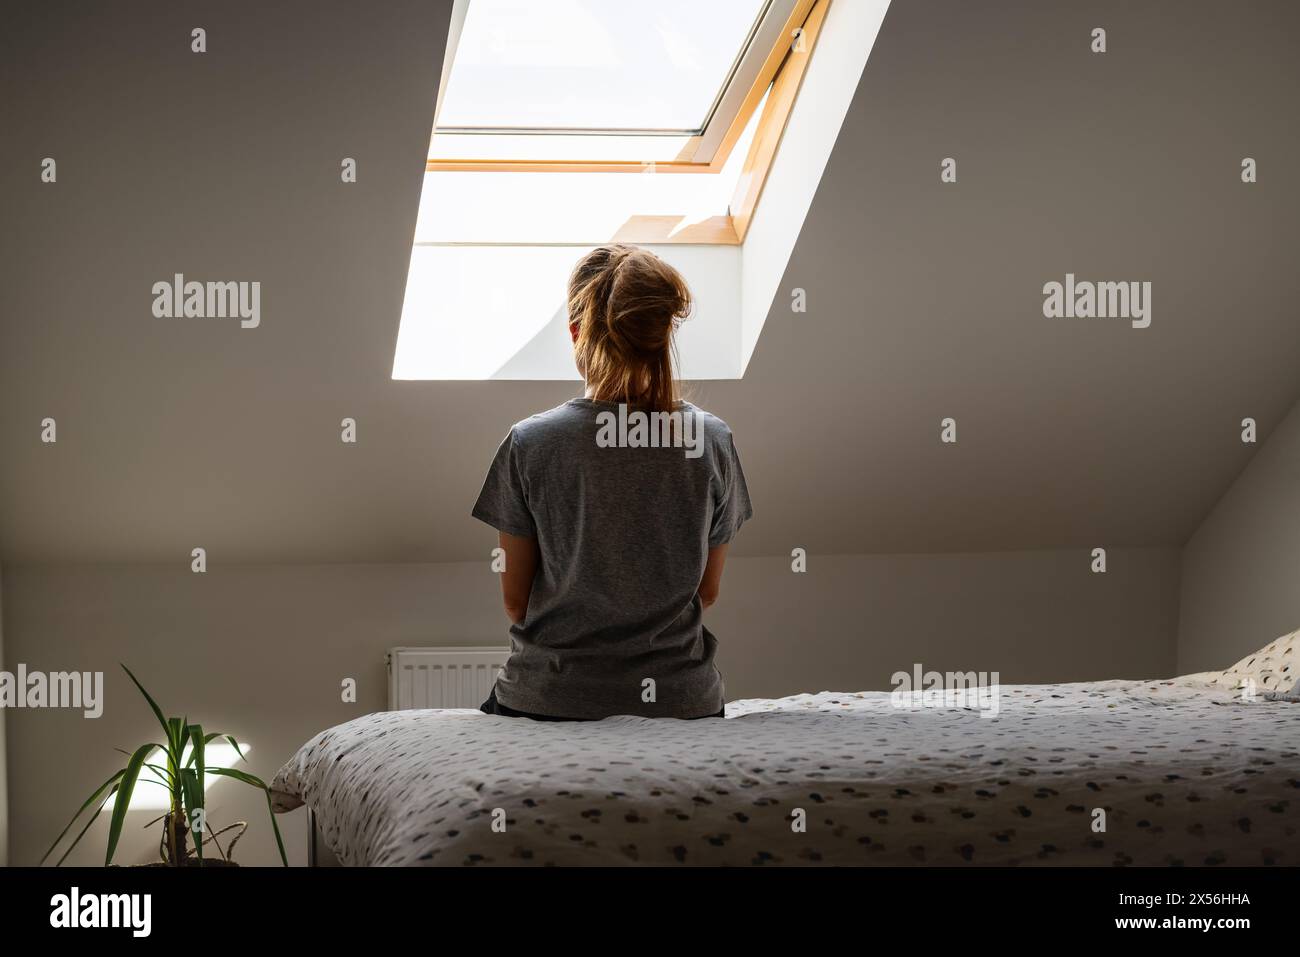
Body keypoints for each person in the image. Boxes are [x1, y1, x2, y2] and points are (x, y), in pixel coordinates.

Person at [472, 244, 752, 721]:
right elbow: (706, 592)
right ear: (662, 336)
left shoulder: (530, 443)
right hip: (683, 703)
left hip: (551, 700)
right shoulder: (711, 440)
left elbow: (515, 603)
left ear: (577, 333)